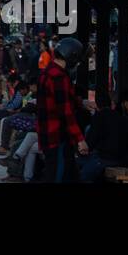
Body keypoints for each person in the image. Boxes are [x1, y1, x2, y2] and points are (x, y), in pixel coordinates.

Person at [36, 36, 88, 183]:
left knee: (61, 172)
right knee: (57, 175)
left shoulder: (46, 73)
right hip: (57, 135)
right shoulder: (59, 77)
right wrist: (80, 139)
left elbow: (58, 100)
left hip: (46, 132)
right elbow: (66, 111)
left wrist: (81, 102)